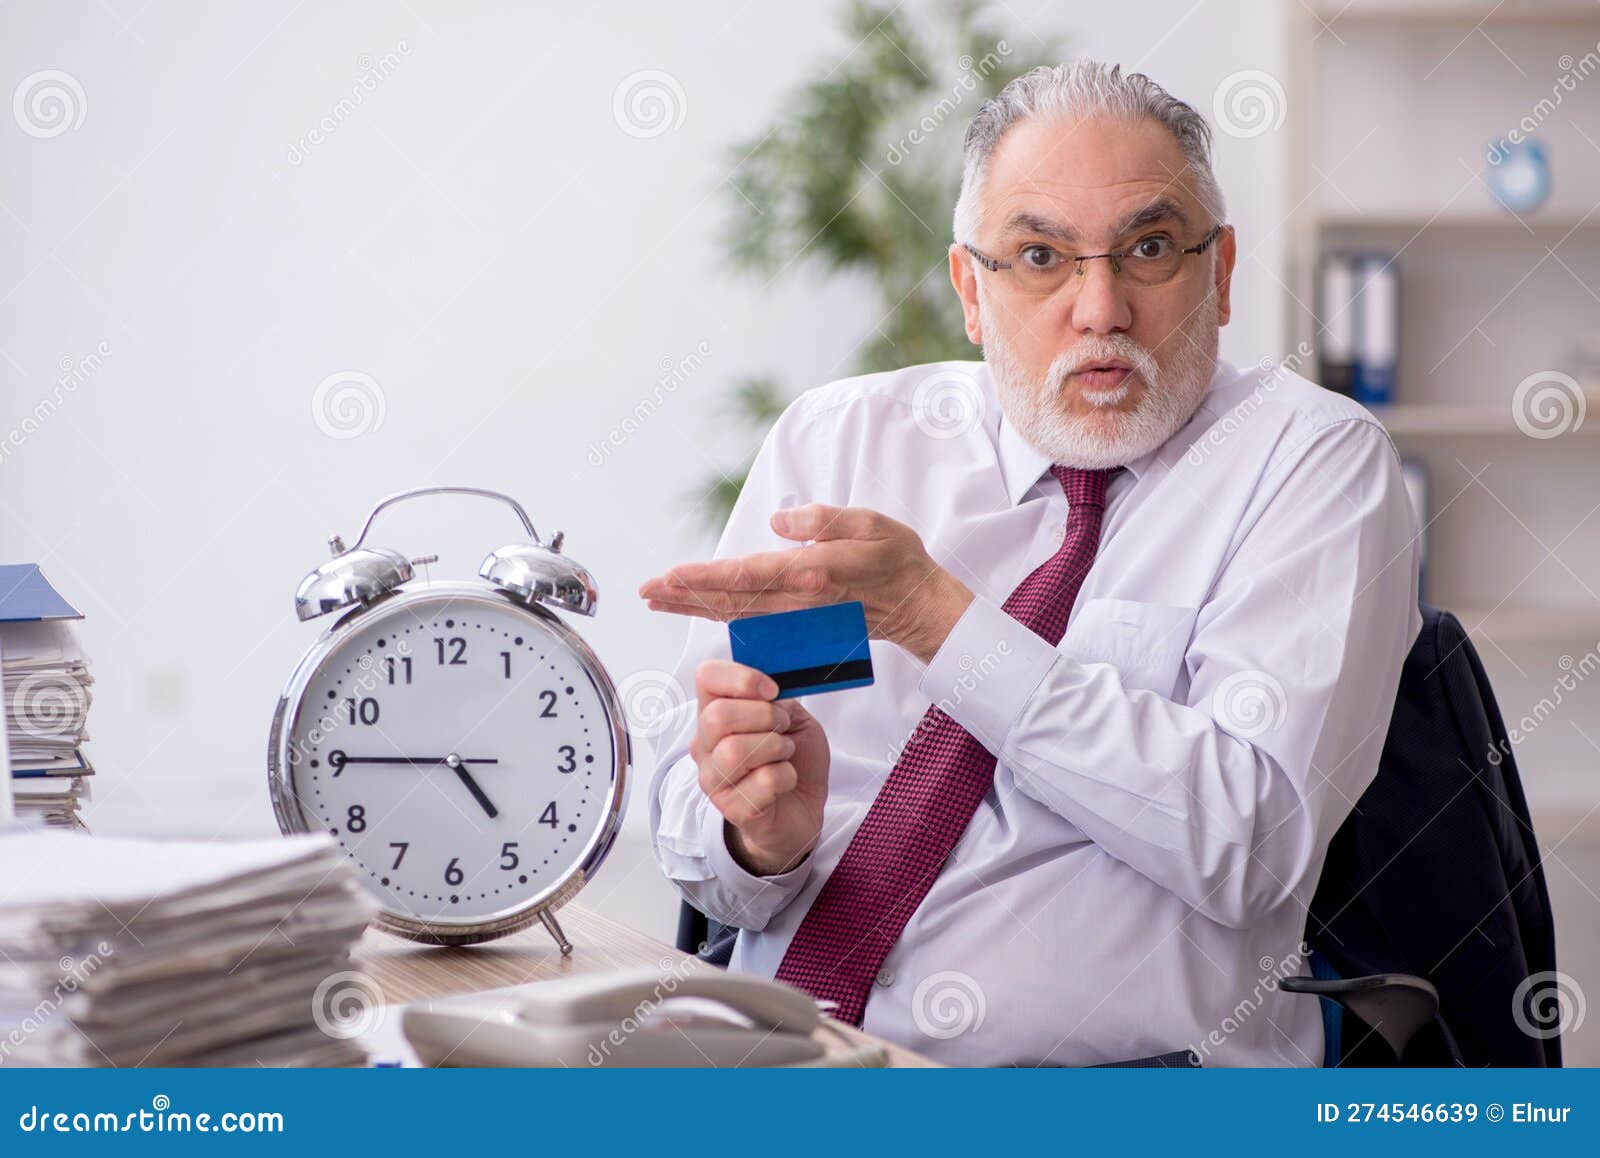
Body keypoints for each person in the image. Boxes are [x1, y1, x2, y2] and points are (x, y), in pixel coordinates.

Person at [638, 60, 1420, 1066]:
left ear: (1219, 273)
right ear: (970, 287)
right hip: (776, 1065)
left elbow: (1249, 847)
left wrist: (937, 620)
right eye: (1040, 255)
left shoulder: (1308, 461)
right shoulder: (840, 447)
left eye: (1146, 248)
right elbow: (692, 832)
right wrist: (757, 837)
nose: (1099, 309)